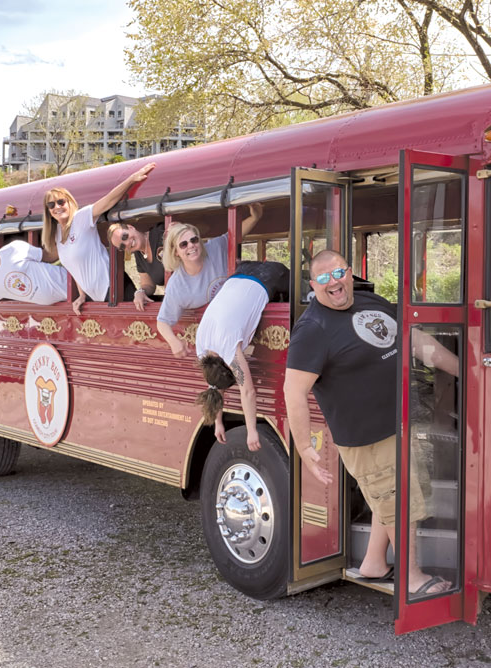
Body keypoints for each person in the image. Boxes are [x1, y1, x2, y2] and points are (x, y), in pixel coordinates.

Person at [283, 249, 459, 596]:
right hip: (367, 436)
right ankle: (412, 579)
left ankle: (374, 563)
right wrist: (304, 446)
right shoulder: (313, 329)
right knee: (399, 503)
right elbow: (293, 390)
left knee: (394, 496)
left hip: (396, 423)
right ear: (312, 285)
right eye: (322, 278)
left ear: (350, 273)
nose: (333, 282)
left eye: (338, 273)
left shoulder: (369, 301)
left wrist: (467, 371)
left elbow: (414, 340)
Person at [195, 261, 289, 452]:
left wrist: (251, 431)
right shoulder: (202, 350)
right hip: (239, 272)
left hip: (269, 276)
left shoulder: (231, 353)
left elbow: (248, 392)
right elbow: (214, 386)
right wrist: (217, 422)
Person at [42, 162, 155, 314]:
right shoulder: (56, 235)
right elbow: (75, 268)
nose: (57, 207)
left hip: (114, 287)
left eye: (61, 201)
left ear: (69, 203)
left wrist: (131, 180)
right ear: (48, 211)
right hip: (95, 297)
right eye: (51, 204)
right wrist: (82, 295)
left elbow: (108, 201)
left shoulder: (80, 218)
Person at [155, 202, 263, 357]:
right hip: (213, 340)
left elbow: (234, 235)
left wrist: (255, 217)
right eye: (183, 244)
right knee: (230, 373)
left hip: (240, 323)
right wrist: (173, 341)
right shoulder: (178, 285)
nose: (191, 246)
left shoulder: (215, 248)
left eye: (194, 240)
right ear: (176, 252)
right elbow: (163, 321)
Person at [106, 221, 164, 311]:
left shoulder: (160, 233)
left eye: (125, 236)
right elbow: (148, 284)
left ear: (131, 227)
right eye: (122, 246)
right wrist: (140, 292)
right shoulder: (139, 254)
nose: (127, 243)